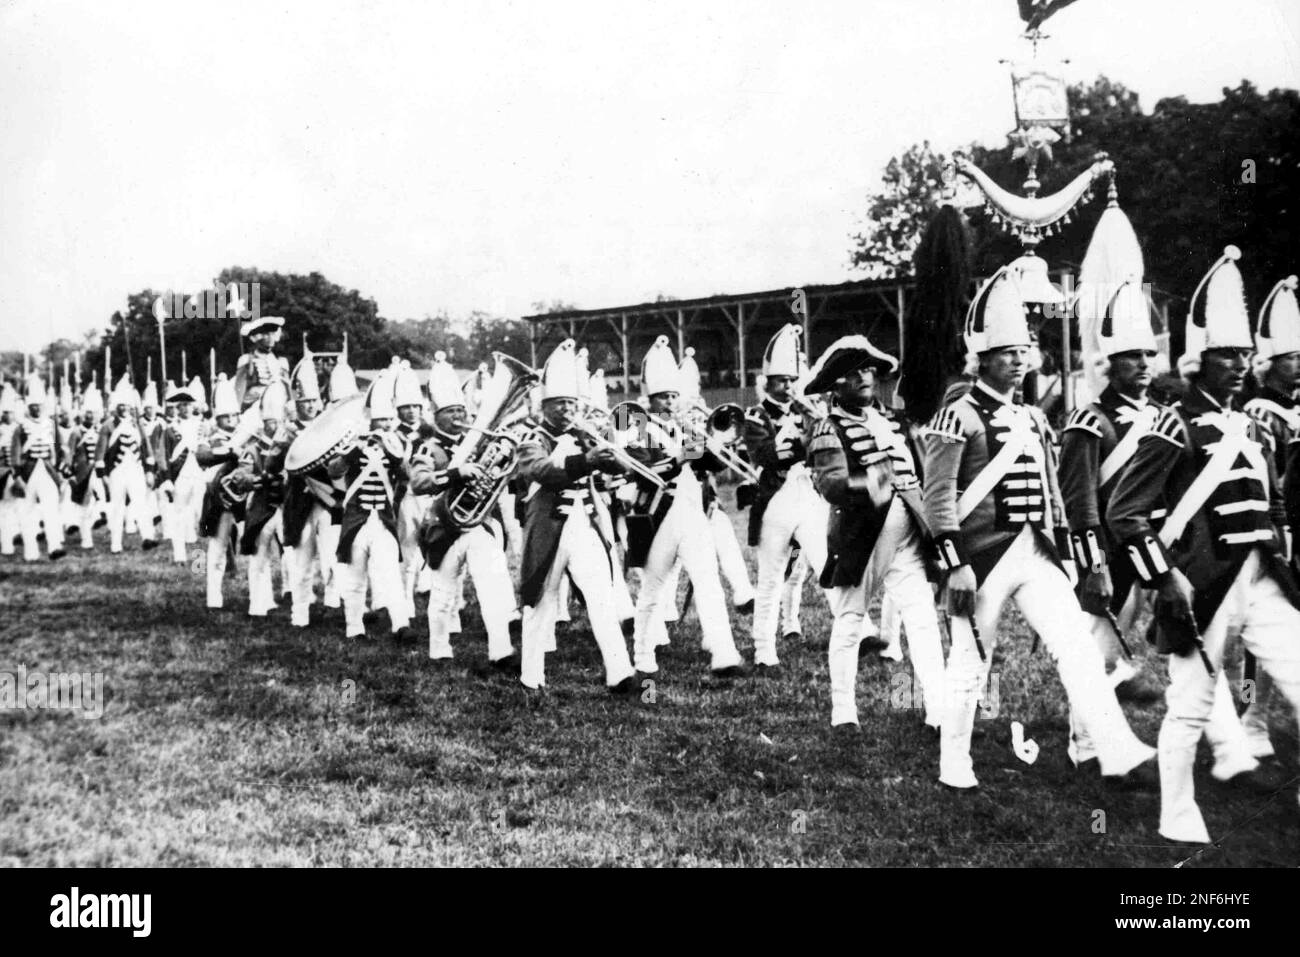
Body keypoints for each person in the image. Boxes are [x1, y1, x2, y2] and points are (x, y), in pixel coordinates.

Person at [920, 264, 1156, 790]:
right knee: (970, 663)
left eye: (1023, 349)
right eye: (1006, 352)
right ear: (981, 358)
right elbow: (939, 498)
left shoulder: (1033, 418)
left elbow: (1053, 494)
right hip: (978, 559)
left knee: (1075, 644)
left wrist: (1068, 555)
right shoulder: (957, 414)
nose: (1018, 359)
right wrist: (954, 566)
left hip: (1037, 553)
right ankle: (954, 763)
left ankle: (1117, 751)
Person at [1109, 248, 1300, 843]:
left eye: (1245, 354)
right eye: (1226, 355)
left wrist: (1283, 551)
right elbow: (1125, 513)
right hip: (1204, 586)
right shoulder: (1173, 424)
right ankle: (1177, 817)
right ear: (1199, 362)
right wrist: (1165, 578)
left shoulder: (1254, 423)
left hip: (1263, 577)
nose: (1239, 365)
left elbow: (1271, 502)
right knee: (1191, 706)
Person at [807, 335, 945, 731]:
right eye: (854, 372)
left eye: (869, 369)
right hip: (860, 536)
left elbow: (922, 472)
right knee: (850, 619)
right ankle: (843, 708)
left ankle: (937, 707)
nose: (865, 377)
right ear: (837, 383)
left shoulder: (896, 421)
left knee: (921, 619)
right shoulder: (827, 427)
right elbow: (831, 485)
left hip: (909, 536)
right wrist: (875, 478)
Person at [514, 340, 638, 693]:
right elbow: (540, 470)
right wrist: (587, 460)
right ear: (544, 406)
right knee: (541, 601)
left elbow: (625, 469)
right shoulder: (531, 437)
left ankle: (620, 672)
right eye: (559, 404)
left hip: (585, 524)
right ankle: (531, 676)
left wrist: (609, 455)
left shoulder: (586, 436)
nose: (567, 410)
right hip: (549, 527)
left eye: (571, 403)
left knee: (600, 596)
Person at [626, 336, 745, 679]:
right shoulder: (639, 428)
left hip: (691, 513)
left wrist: (715, 443)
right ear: (649, 399)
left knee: (708, 580)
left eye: (674, 396)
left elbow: (713, 466)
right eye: (663, 396)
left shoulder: (687, 427)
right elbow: (641, 471)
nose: (670, 401)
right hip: (656, 514)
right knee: (653, 589)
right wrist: (679, 456)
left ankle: (724, 651)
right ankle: (643, 653)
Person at [409, 353, 516, 667]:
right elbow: (419, 482)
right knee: (443, 593)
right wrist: (455, 474)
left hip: (478, 525)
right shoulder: (428, 447)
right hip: (444, 526)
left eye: (460, 410)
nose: (457, 416)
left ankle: (501, 651)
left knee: (493, 584)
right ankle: (439, 649)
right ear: (437, 416)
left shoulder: (481, 443)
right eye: (449, 412)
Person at [744, 324, 832, 669]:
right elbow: (765, 455)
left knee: (820, 565)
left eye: (792, 380)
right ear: (766, 383)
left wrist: (815, 426)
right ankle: (763, 648)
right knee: (771, 579)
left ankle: (846, 630)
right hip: (773, 500)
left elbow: (824, 451)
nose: (788, 387)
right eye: (780, 380)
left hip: (808, 499)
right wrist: (799, 440)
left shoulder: (807, 410)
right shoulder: (757, 415)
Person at [1238, 274, 1300, 762]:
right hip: (1284, 531)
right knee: (1261, 640)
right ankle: (1251, 717)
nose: (1299, 367)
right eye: (1291, 359)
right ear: (1269, 367)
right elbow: (1269, 481)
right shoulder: (1261, 413)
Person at [329, 368, 415, 641]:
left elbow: (408, 477)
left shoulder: (400, 444)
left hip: (384, 520)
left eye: (390, 420)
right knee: (354, 577)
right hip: (356, 519)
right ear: (370, 421)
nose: (387, 425)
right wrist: (355, 448)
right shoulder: (353, 441)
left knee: (390, 572)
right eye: (381, 421)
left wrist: (394, 453)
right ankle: (354, 627)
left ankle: (400, 625)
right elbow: (334, 471)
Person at [280, 354, 343, 627]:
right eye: (304, 402)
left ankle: (334, 599)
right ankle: (300, 612)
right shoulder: (287, 431)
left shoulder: (329, 426)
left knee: (333, 554)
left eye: (313, 401)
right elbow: (275, 463)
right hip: (299, 501)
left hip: (328, 500)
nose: (309, 406)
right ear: (296, 404)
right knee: (301, 559)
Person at [94, 376, 159, 555]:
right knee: (117, 507)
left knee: (141, 504)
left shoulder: (137, 423)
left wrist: (150, 471)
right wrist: (103, 475)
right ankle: (116, 543)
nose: (124, 408)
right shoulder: (108, 426)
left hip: (136, 469)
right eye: (121, 405)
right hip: (116, 470)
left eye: (127, 404)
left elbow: (146, 448)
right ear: (116, 406)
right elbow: (100, 452)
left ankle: (148, 537)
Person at [196, 374, 246, 609]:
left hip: (246, 496)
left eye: (234, 416)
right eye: (226, 416)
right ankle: (213, 596)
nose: (231, 420)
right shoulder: (210, 436)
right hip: (221, 499)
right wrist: (229, 453)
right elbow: (203, 456)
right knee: (217, 545)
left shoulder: (245, 434)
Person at [11, 374, 67, 561]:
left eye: (39, 404)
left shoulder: (50, 424)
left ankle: (54, 547)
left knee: (51, 509)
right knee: (28, 513)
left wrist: (60, 469)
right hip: (28, 471)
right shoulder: (22, 427)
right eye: (33, 405)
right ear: (28, 406)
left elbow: (59, 448)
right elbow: (16, 453)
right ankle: (31, 551)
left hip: (48, 470)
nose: (36, 408)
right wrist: (17, 475)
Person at [158, 379, 208, 564]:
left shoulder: (201, 426)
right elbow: (162, 455)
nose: (185, 408)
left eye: (188, 404)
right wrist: (166, 479)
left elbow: (207, 450)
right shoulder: (170, 430)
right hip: (180, 477)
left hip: (199, 475)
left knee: (199, 517)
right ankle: (180, 556)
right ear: (176, 408)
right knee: (178, 516)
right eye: (181, 405)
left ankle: (198, 562)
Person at [0, 383, 20, 556]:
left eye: (10, 412)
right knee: (5, 508)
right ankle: (6, 543)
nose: (8, 415)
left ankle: (14, 535)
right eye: (5, 412)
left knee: (19, 506)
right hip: (3, 472)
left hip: (18, 473)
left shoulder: (19, 429)